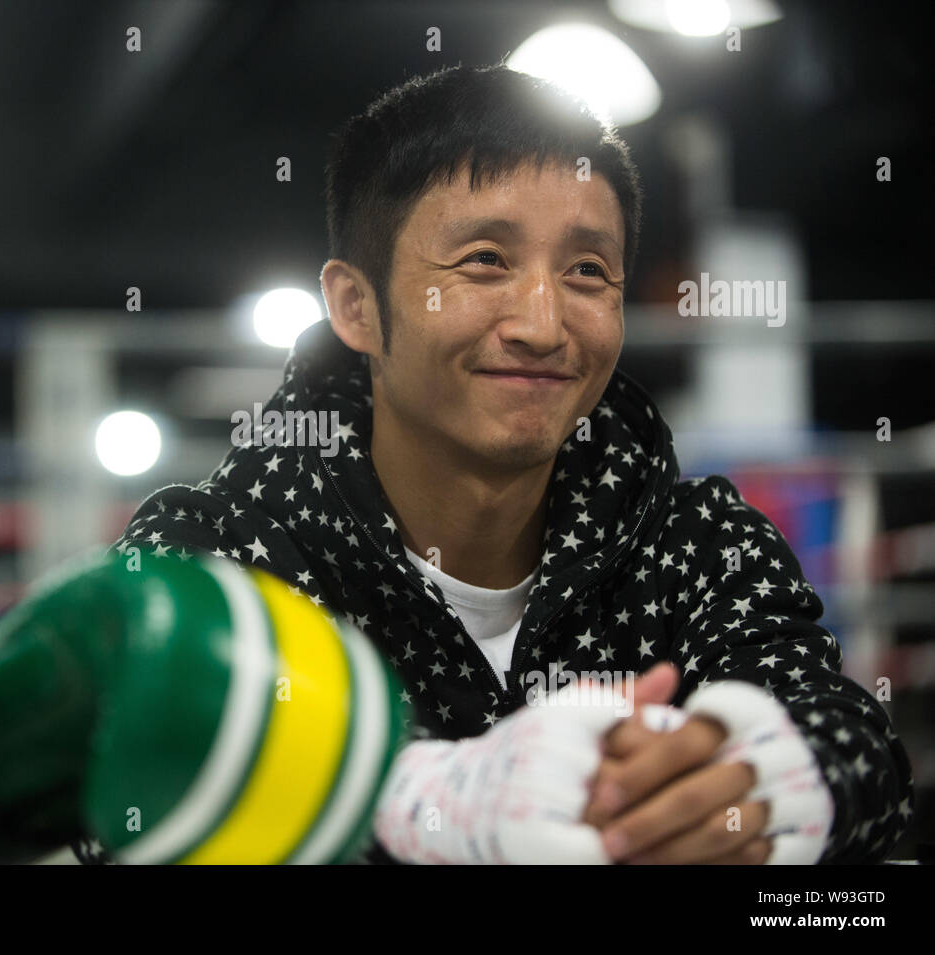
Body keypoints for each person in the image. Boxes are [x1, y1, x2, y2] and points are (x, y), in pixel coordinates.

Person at [106, 64, 914, 864]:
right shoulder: (221, 554)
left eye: (588, 271)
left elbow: (859, 748)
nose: (542, 322)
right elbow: (126, 802)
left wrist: (761, 783)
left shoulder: (698, 541)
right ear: (356, 306)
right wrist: (431, 802)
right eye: (485, 260)